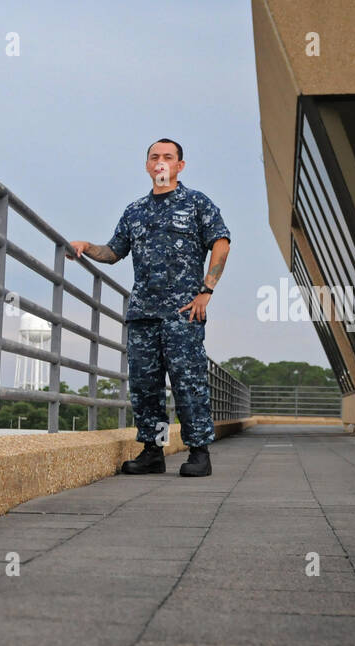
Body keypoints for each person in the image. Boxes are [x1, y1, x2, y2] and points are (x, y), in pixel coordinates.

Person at [68, 138, 231, 477]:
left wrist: (207, 290)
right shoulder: (135, 211)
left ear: (179, 166)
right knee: (146, 386)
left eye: (168, 157)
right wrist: (86, 246)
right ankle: (153, 451)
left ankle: (198, 452)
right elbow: (114, 252)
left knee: (188, 382)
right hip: (143, 312)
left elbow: (221, 242)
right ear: (146, 166)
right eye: (154, 157)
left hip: (183, 312)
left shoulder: (196, 203)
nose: (160, 162)